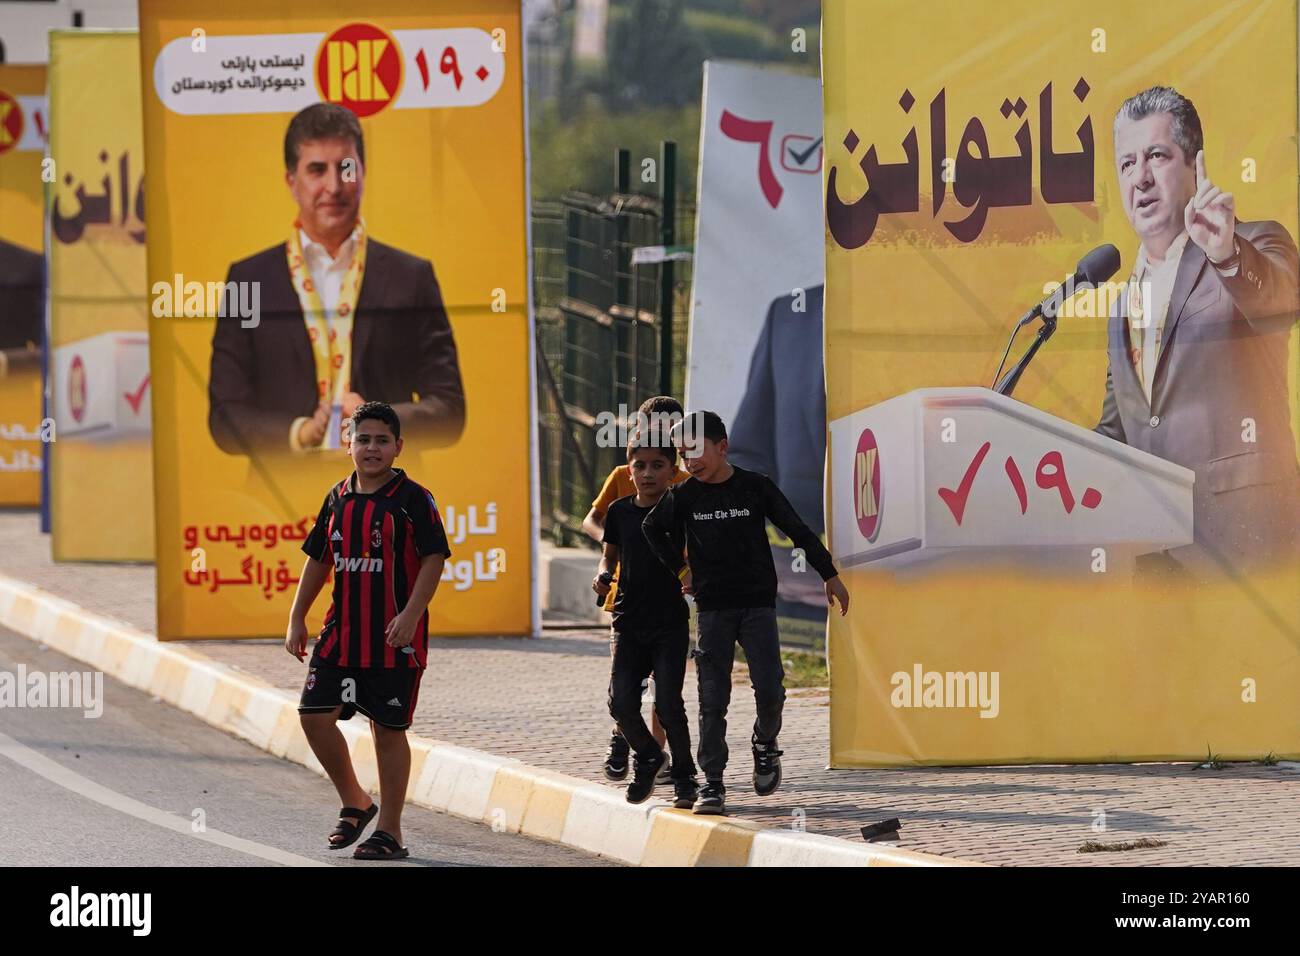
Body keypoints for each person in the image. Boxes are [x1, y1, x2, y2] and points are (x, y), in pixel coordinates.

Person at [1095, 86, 1300, 577]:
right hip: (1155, 569)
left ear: (1193, 166)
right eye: (1126, 164)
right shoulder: (1122, 304)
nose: (1139, 178)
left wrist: (1226, 255)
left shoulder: (1253, 241)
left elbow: (1281, 304)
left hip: (1250, 552)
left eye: (1156, 156)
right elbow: (1115, 435)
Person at [209, 103, 465, 457]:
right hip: (278, 504)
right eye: (317, 170)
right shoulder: (247, 281)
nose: (334, 186)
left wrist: (383, 421)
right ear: (291, 182)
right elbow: (224, 418)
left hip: (388, 500)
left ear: (363, 171)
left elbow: (450, 411)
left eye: (345, 168)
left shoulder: (412, 277)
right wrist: (299, 432)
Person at [643, 410, 850, 815]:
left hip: (757, 607)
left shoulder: (756, 488)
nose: (690, 462)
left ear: (722, 447)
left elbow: (798, 530)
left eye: (697, 451)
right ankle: (713, 785)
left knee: (771, 690)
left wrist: (829, 574)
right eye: (683, 455)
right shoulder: (684, 496)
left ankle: (765, 743)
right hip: (713, 611)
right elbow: (652, 529)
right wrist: (682, 570)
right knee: (711, 698)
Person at [285, 401, 450, 859]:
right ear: (348, 444)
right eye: (363, 439)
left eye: (381, 440)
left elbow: (434, 557)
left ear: (398, 447)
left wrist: (412, 615)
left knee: (387, 730)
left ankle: (391, 833)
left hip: (394, 639)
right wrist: (298, 616)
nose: (371, 448)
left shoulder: (414, 499)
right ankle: (356, 801)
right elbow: (319, 559)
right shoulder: (336, 497)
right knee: (313, 717)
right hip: (341, 634)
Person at [582, 395, 689, 782]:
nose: (648, 471)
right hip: (625, 596)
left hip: (669, 596)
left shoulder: (684, 481)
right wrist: (614, 546)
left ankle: (658, 753)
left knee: (666, 682)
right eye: (654, 428)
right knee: (625, 680)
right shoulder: (623, 476)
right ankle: (622, 735)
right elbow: (593, 520)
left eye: (671, 430)